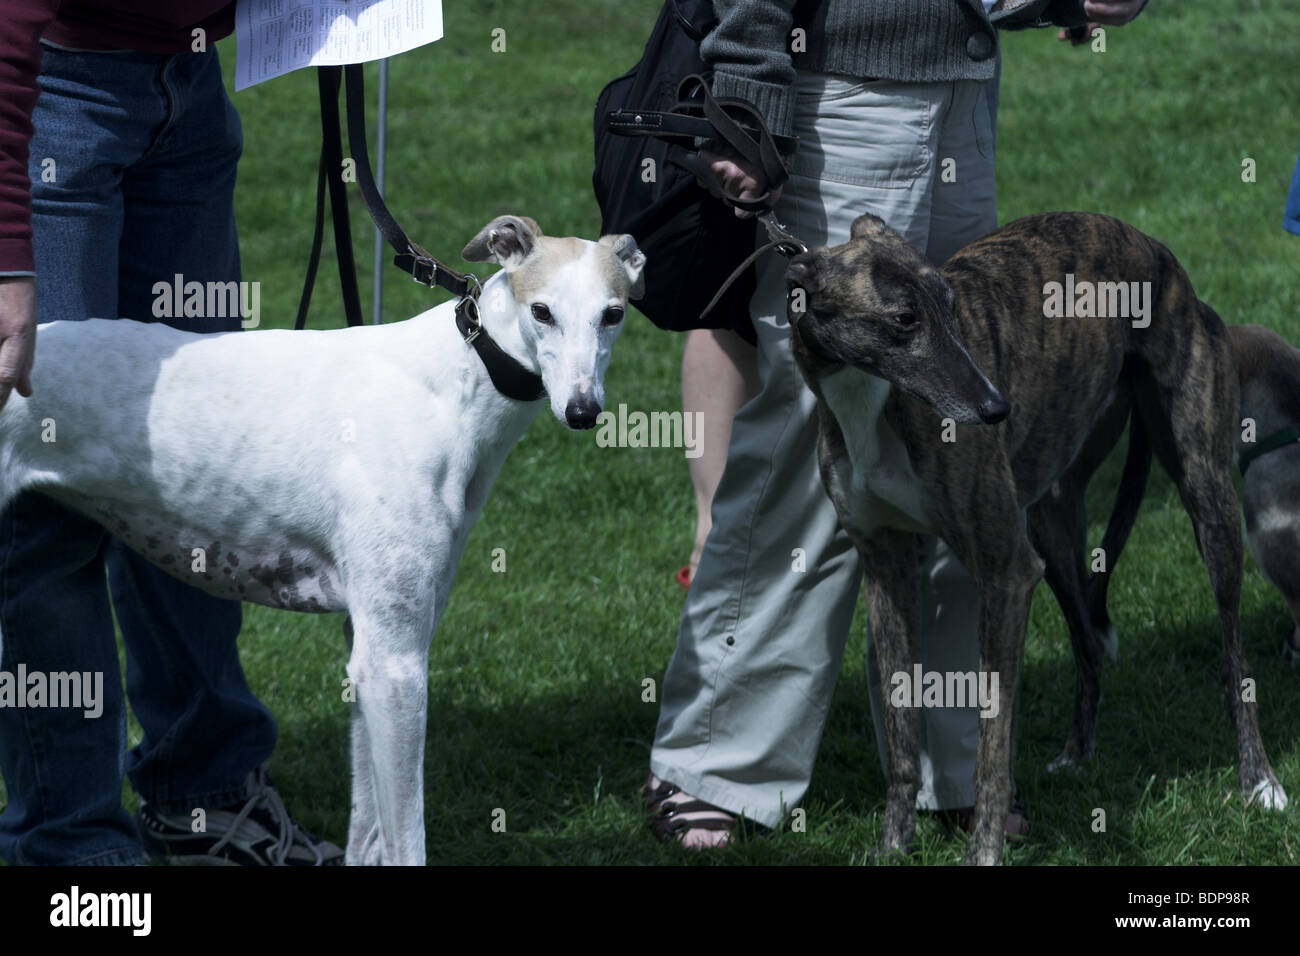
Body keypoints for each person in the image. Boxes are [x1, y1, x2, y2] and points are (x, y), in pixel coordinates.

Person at [648, 0, 1148, 847]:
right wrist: (749, 86)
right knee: (806, 452)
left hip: (960, 81)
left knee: (963, 449)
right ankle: (721, 763)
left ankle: (955, 772)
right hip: (844, 85)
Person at [0, 1, 342, 865]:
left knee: (198, 465)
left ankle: (205, 799)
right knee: (55, 498)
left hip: (186, 90)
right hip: (48, 87)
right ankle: (70, 847)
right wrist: (6, 253)